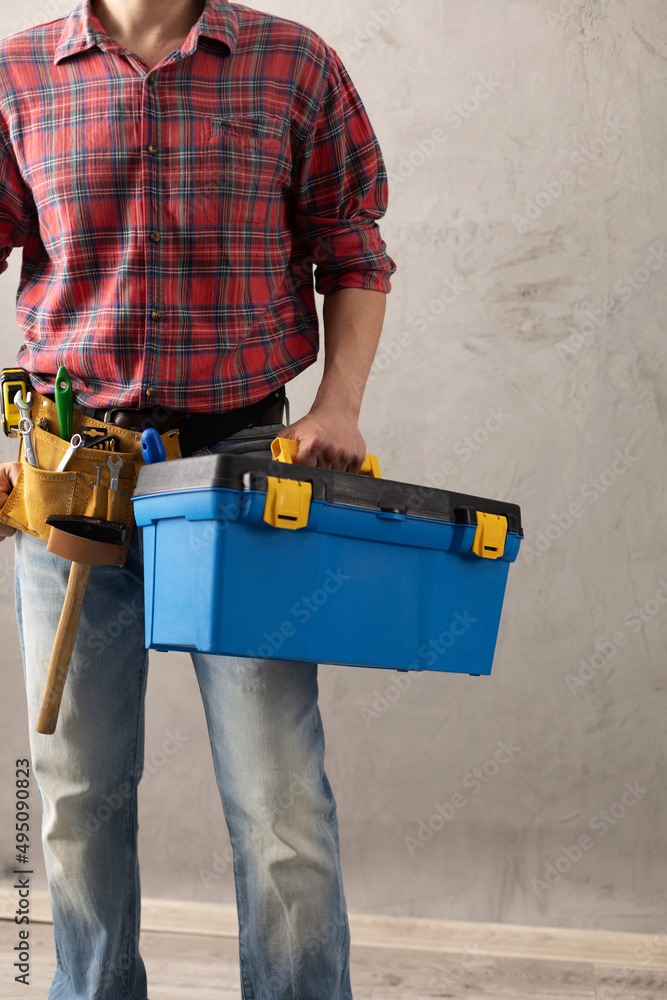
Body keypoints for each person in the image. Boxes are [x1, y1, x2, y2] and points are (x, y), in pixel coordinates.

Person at [0, 0, 396, 997]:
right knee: (77, 793)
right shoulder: (17, 75)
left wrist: (337, 403)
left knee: (280, 797)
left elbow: (353, 243)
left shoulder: (291, 65)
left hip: (241, 474)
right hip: (69, 464)